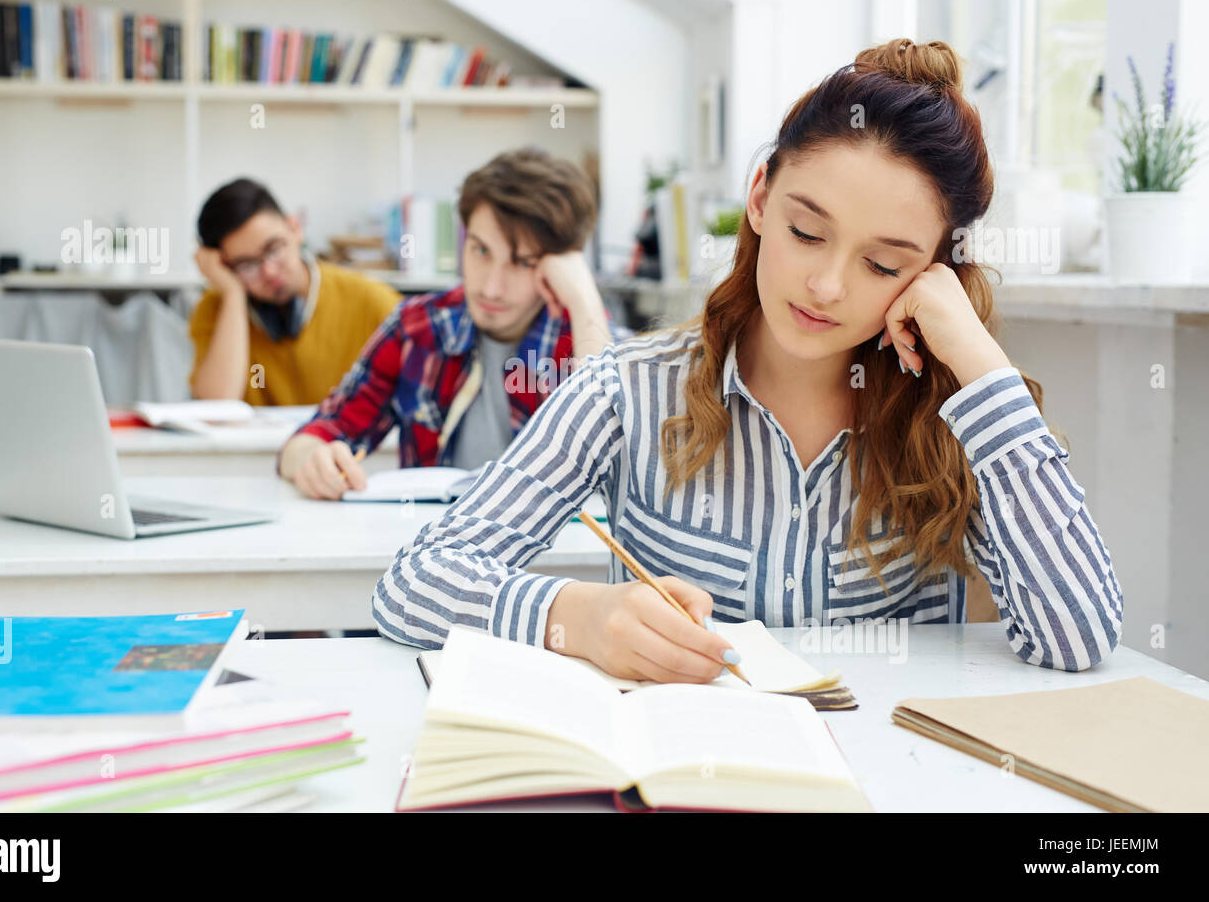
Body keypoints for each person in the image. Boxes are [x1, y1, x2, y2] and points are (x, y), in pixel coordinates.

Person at [370, 39, 1123, 681]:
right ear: (761, 199)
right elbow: (411, 585)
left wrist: (981, 365)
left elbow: (1079, 637)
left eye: (884, 266)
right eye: (806, 232)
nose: (827, 286)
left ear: (934, 274)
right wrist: (577, 615)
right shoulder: (625, 390)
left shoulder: (954, 414)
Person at [278, 148, 624, 499]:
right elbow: (309, 438)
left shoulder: (590, 334)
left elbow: (622, 469)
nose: (491, 287)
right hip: (431, 549)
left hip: (557, 554)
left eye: (522, 263)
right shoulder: (418, 327)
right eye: (481, 251)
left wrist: (584, 300)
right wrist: (313, 459)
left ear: (563, 264)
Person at [188, 178, 402, 406]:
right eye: (246, 265)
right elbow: (216, 407)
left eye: (273, 249)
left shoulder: (371, 301)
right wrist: (233, 295)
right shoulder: (215, 309)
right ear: (224, 266)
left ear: (295, 228)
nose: (269, 271)